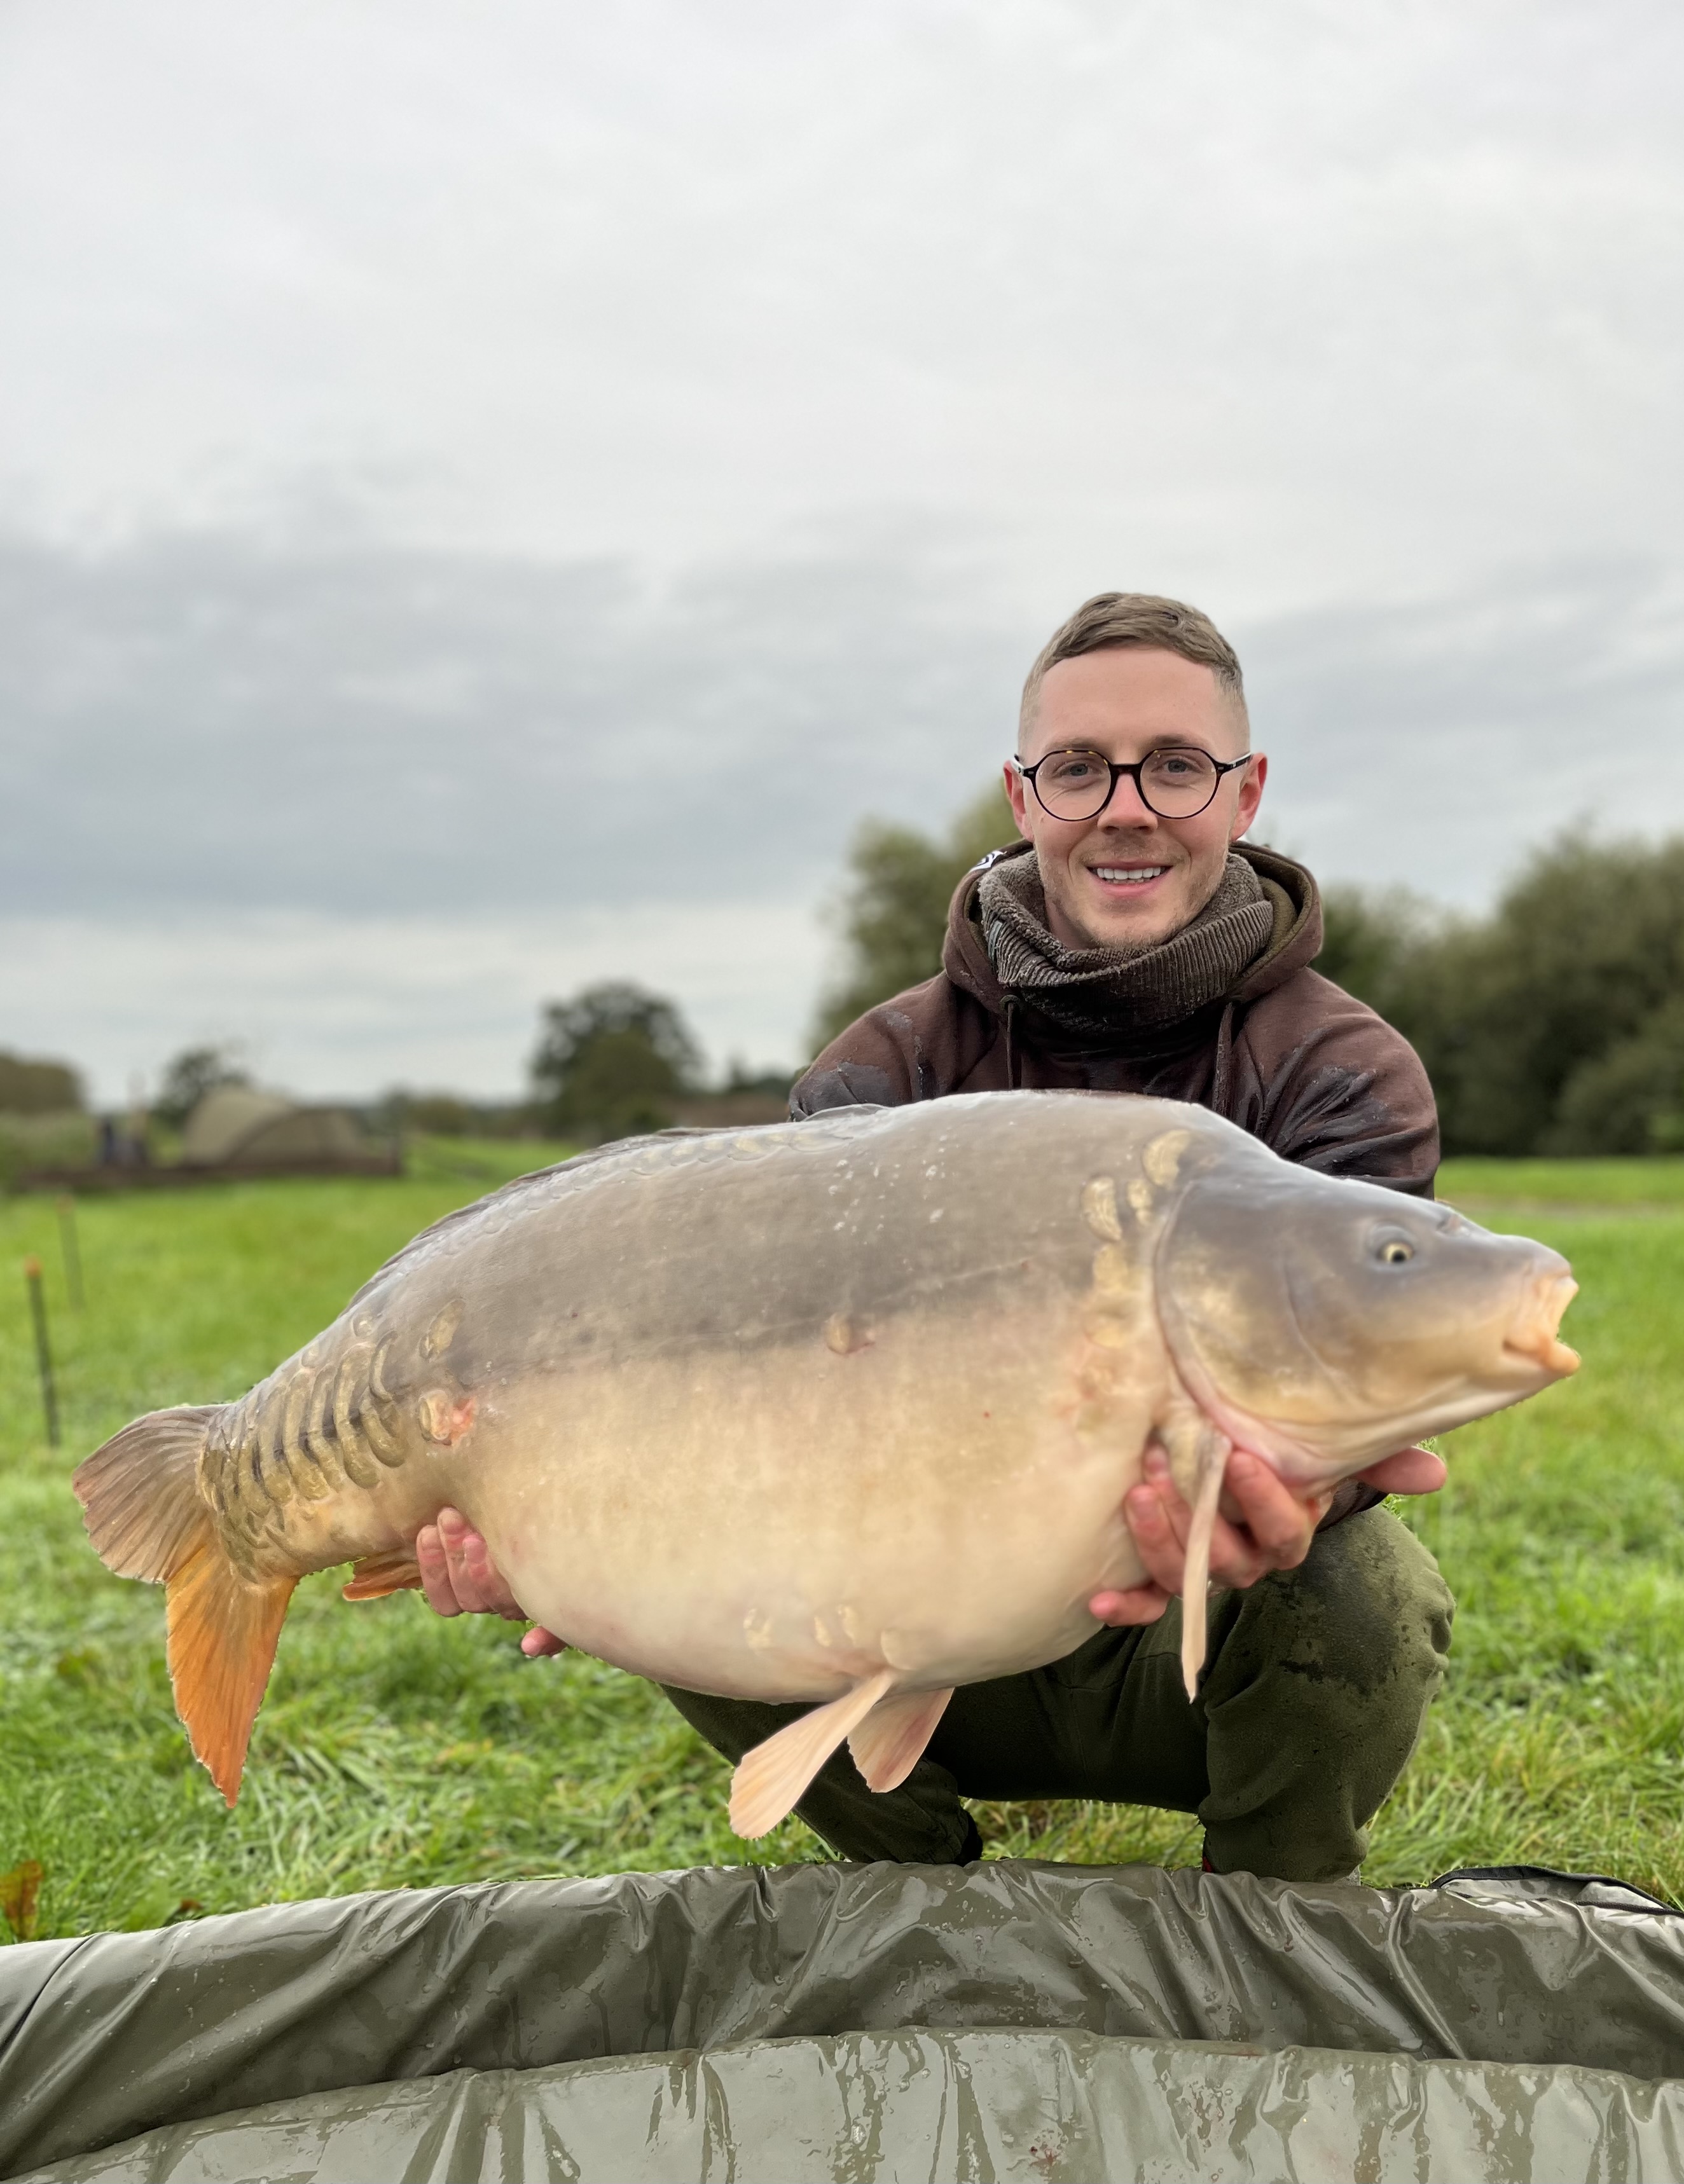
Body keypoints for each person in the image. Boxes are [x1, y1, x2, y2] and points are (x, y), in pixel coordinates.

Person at [418, 591, 1454, 1880]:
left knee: (1366, 1591)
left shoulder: (1341, 1070)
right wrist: (562, 1532)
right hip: (915, 1612)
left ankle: (1268, 1912)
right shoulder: (888, 1066)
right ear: (1021, 798)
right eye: (1078, 767)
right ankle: (911, 1894)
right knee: (700, 1574)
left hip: (1189, 1634)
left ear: (1243, 797)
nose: (1124, 805)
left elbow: (1355, 1370)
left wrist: (1317, 1491)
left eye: (1174, 766)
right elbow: (763, 1403)